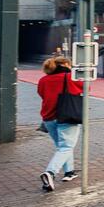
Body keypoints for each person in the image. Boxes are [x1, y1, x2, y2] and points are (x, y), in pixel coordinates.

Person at [36, 55, 83, 192]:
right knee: (66, 146)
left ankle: (69, 172)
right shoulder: (70, 77)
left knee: (62, 147)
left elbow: (42, 94)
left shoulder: (43, 80)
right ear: (66, 64)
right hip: (66, 116)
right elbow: (86, 88)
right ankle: (50, 172)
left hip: (48, 118)